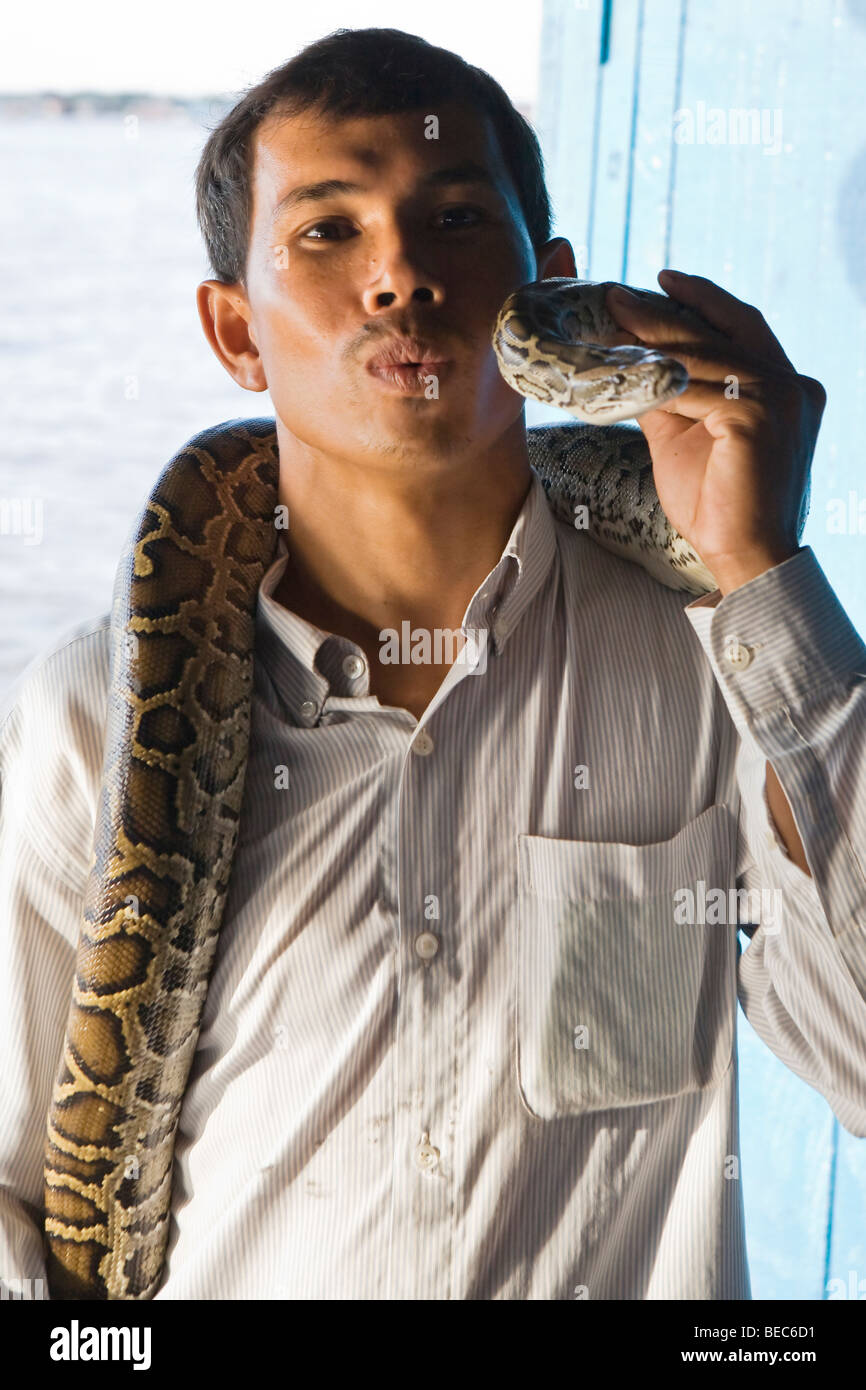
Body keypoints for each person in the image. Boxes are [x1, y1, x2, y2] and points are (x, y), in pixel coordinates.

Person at [1, 26, 864, 1301]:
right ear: (237, 333)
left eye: (454, 217)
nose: (400, 274)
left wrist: (761, 578)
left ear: (548, 288)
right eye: (326, 231)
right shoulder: (90, 715)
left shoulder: (721, 662)